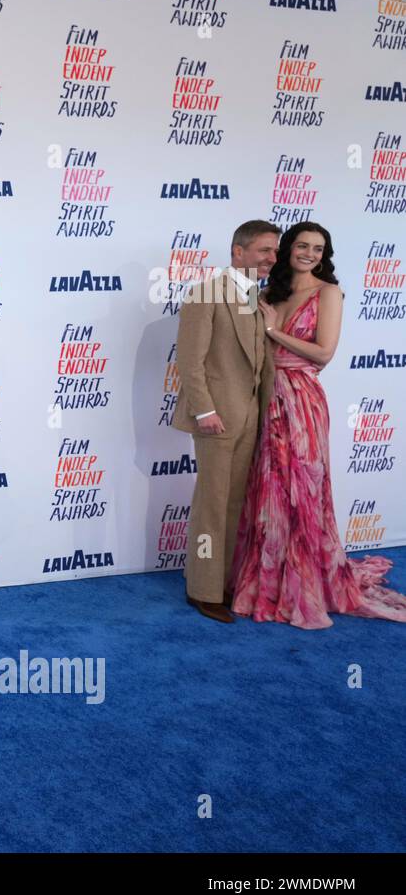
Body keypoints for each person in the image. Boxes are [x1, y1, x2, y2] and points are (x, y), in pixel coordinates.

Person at [231, 222, 406, 629]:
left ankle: (302, 584)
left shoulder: (328, 293)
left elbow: (324, 353)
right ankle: (266, 582)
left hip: (302, 401)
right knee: (267, 490)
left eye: (318, 248)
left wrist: (273, 330)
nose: (309, 253)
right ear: (287, 249)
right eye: (302, 245)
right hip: (265, 398)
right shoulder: (268, 293)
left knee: (302, 490)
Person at [172, 220, 278, 622]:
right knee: (212, 506)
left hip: (249, 415)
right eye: (265, 250)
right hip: (215, 418)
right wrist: (204, 410)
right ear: (238, 251)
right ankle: (202, 589)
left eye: (275, 251)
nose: (272, 258)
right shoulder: (205, 294)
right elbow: (190, 361)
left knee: (233, 503)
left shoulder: (257, 297)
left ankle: (223, 580)